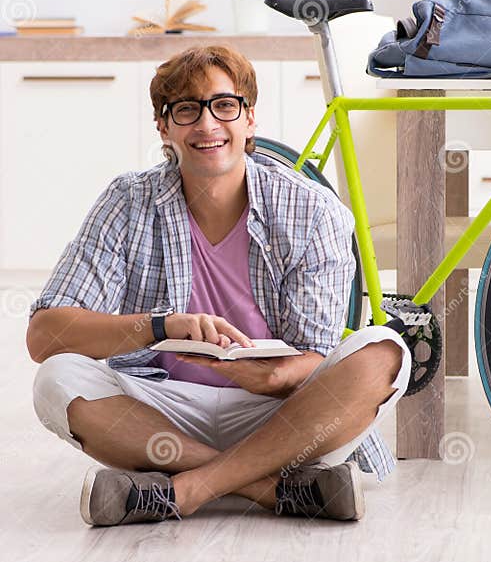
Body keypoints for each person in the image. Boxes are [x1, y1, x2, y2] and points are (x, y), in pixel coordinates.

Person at [27, 45, 411, 527]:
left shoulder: (312, 210)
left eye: (223, 105)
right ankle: (272, 490)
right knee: (56, 377)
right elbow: (45, 336)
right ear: (164, 128)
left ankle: (182, 490)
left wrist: (277, 377)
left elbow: (317, 355)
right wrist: (160, 326)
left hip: (280, 415)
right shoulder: (128, 201)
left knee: (388, 351)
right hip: (162, 409)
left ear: (249, 119)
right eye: (186, 109)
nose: (207, 125)